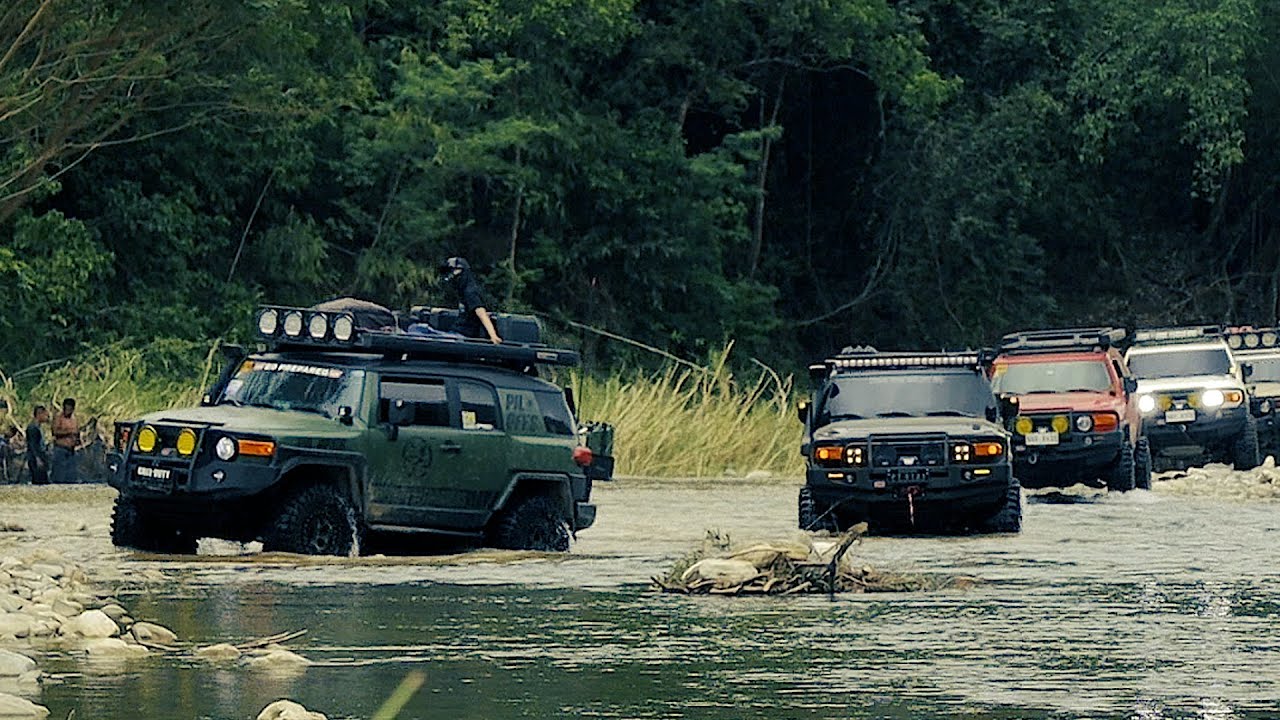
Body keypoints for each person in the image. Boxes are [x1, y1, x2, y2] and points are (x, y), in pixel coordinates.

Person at [439, 257, 502, 344]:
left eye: (452, 271)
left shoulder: (470, 292)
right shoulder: (462, 291)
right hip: (456, 333)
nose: (450, 275)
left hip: (462, 336)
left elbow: (481, 313)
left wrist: (493, 336)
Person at [51, 397, 79, 484]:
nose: (68, 411)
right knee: (59, 474)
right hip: (60, 449)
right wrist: (69, 432)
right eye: (66, 409)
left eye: (70, 409)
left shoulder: (74, 419)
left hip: (71, 450)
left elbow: (76, 431)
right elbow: (55, 432)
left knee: (70, 475)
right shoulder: (58, 417)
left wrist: (77, 438)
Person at [26, 405, 49, 486]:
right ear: (39, 414)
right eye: (45, 415)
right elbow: (33, 445)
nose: (47, 417)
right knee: (39, 481)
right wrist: (37, 458)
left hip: (40, 457)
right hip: (36, 459)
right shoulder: (33, 428)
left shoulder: (39, 427)